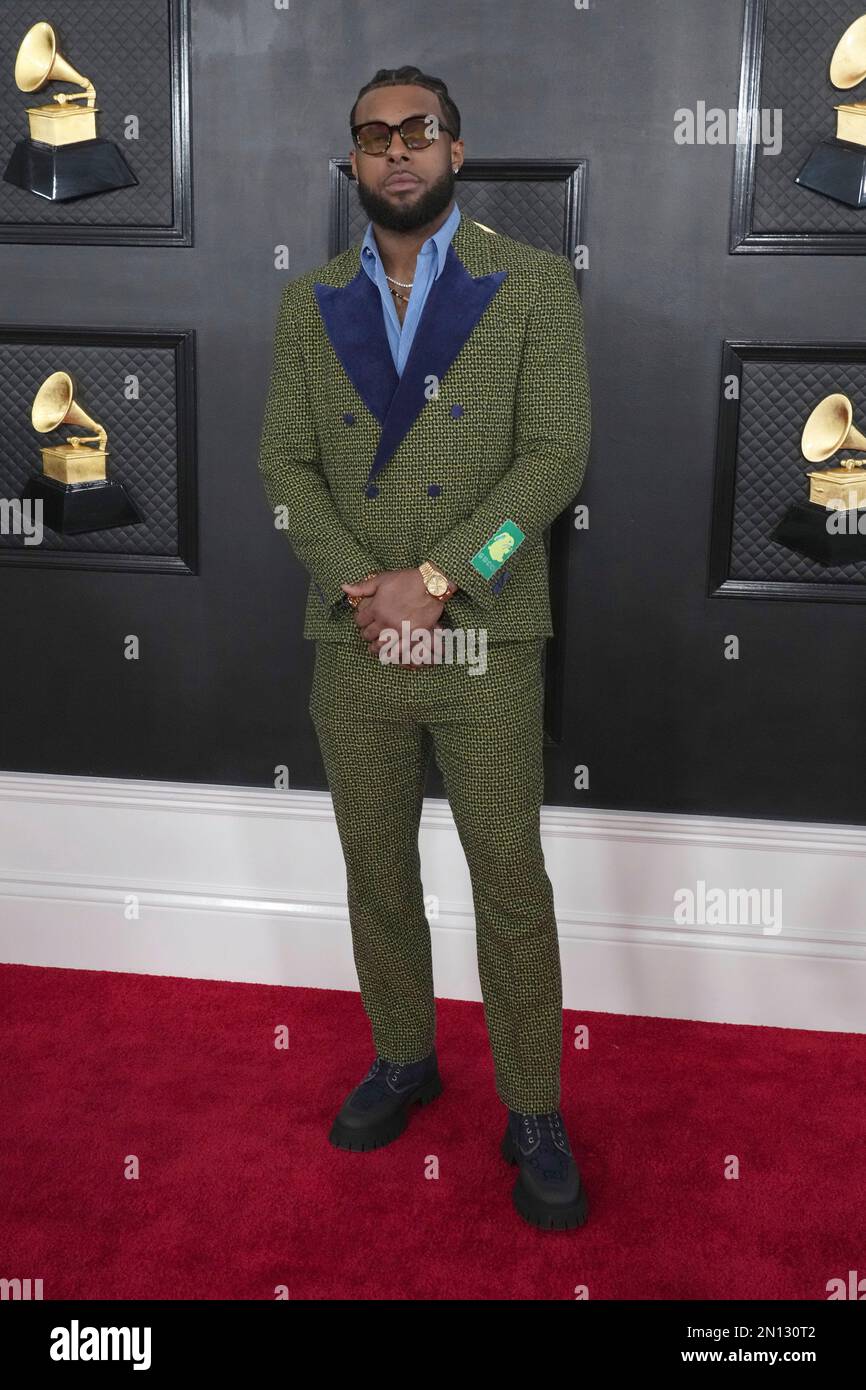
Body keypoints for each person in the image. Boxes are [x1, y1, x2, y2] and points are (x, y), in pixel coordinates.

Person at [258, 64, 592, 1230]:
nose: (396, 150)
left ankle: (534, 1106)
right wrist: (363, 588)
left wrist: (438, 577)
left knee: (509, 879)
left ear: (455, 148)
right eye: (372, 136)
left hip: (482, 638)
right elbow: (282, 472)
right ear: (351, 162)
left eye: (418, 130)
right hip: (356, 640)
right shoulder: (311, 304)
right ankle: (404, 1056)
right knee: (376, 871)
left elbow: (551, 458)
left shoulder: (532, 285)